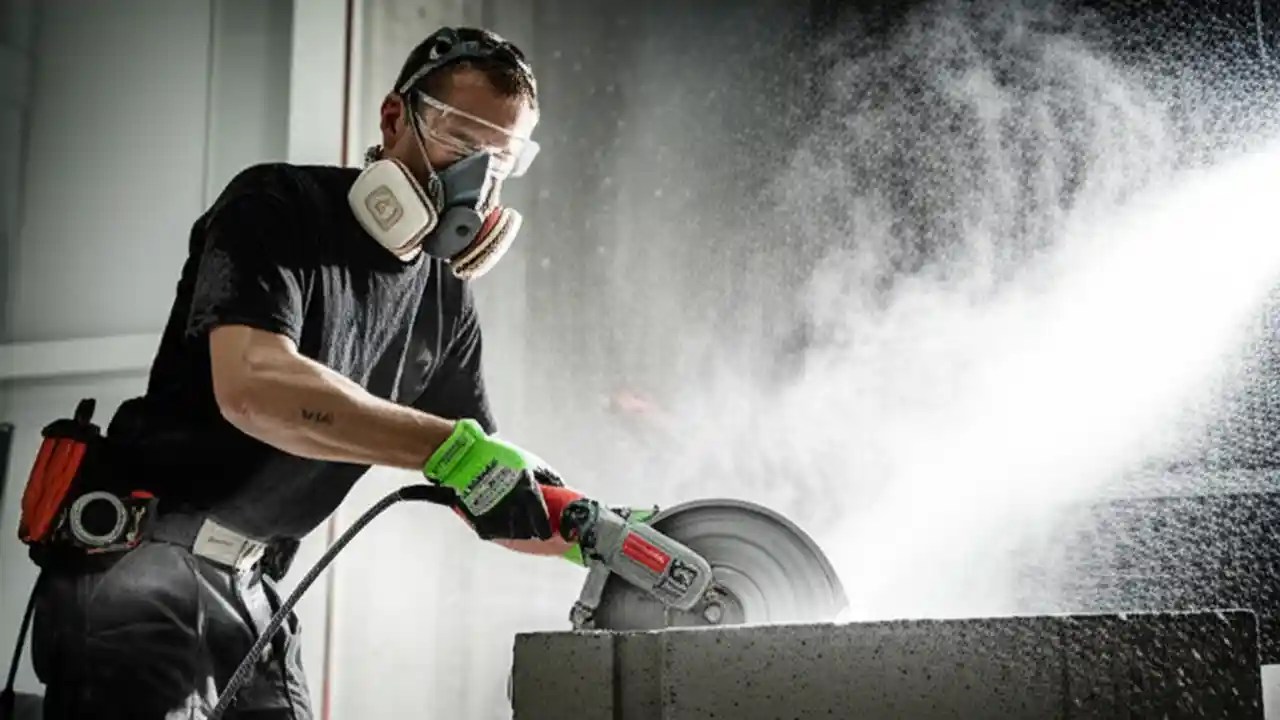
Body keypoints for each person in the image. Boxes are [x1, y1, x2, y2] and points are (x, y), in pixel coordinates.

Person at [27, 26, 569, 720]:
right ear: (395, 117)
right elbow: (255, 390)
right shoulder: (276, 208)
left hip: (254, 591)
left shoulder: (444, 299)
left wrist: (608, 535)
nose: (478, 180)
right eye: (460, 144)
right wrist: (452, 452)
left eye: (501, 160)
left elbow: (487, 492)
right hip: (142, 570)